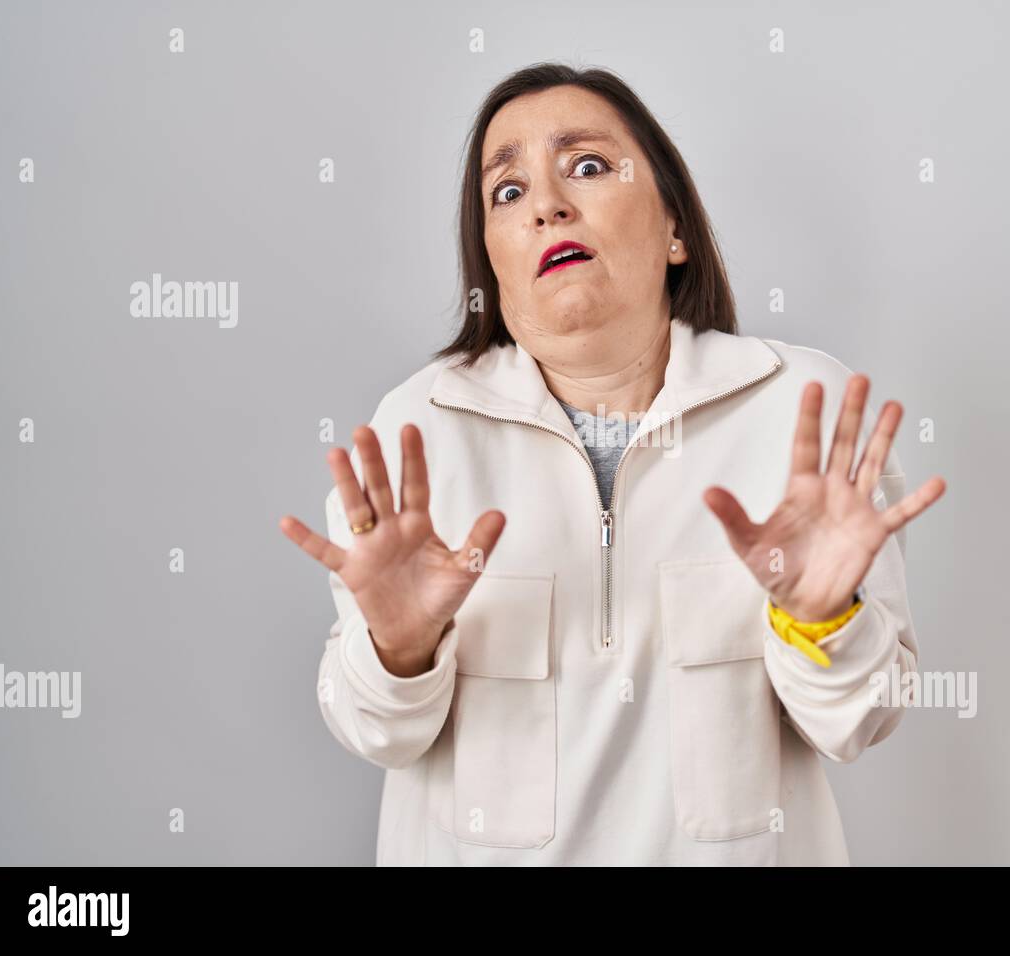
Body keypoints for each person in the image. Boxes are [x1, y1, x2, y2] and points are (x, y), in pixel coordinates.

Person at [279, 62, 946, 865]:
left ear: (676, 230)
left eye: (588, 167)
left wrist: (821, 618)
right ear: (491, 261)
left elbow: (860, 719)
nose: (548, 205)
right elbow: (374, 732)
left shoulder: (804, 411)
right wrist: (397, 648)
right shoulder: (416, 435)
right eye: (508, 191)